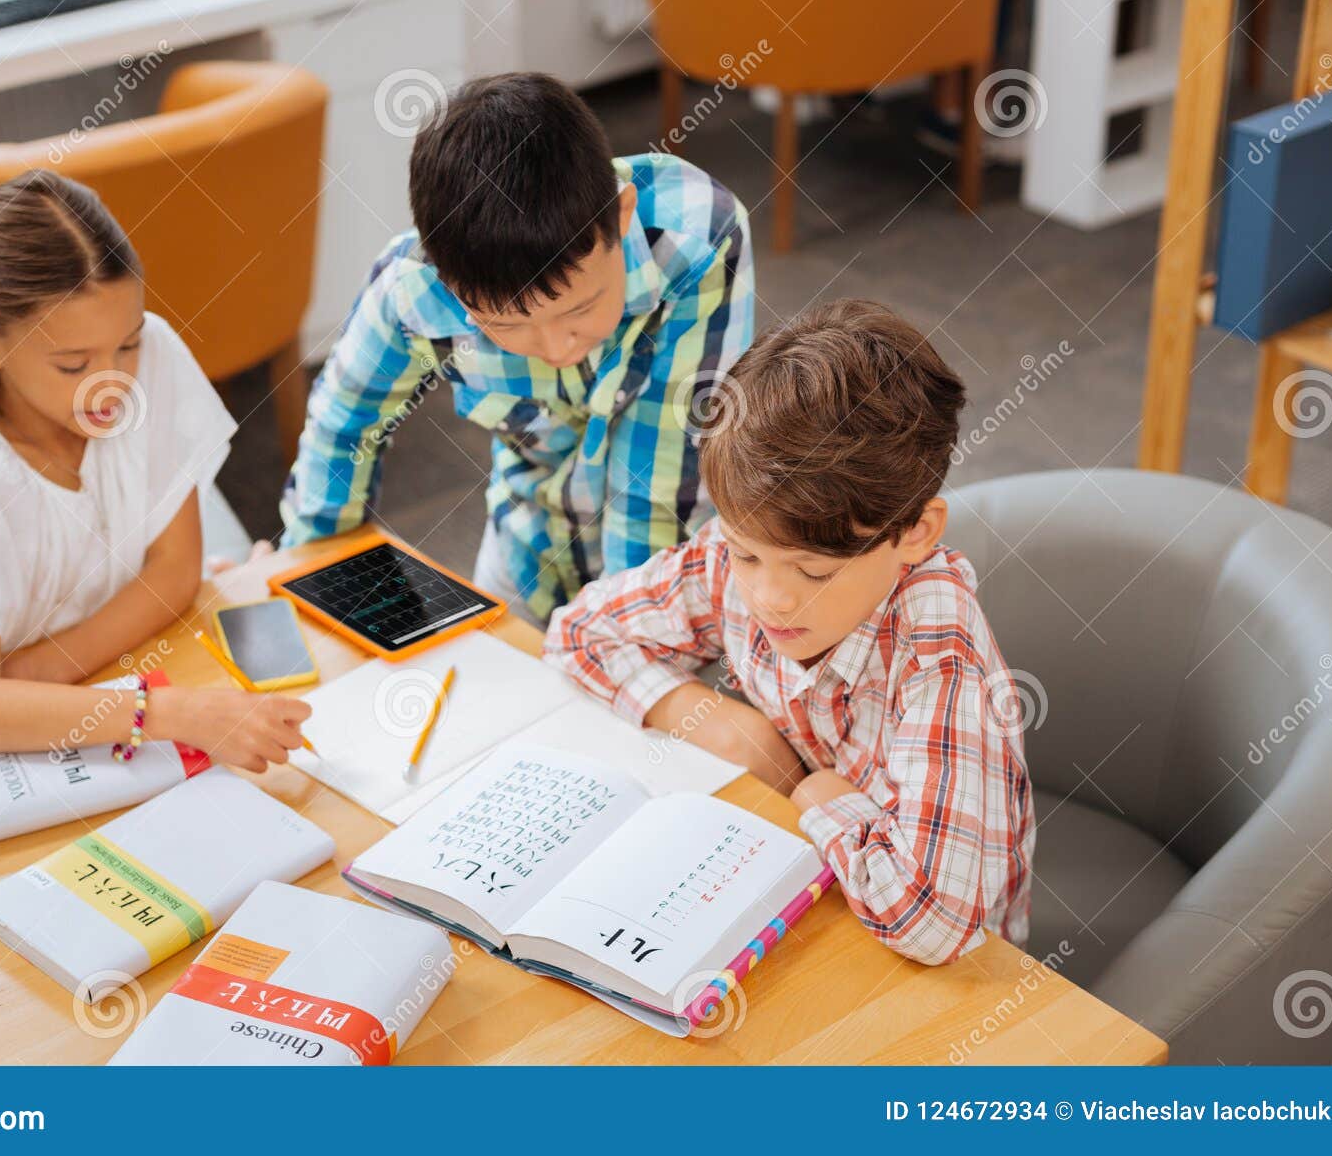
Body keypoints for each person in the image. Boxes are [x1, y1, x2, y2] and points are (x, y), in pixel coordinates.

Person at [543, 300, 1034, 965]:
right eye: (747, 555)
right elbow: (580, 631)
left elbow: (933, 919)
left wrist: (816, 794)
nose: (769, 596)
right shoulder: (743, 543)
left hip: (964, 977)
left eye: (813, 570)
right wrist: (718, 723)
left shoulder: (939, 655)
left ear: (915, 533)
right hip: (817, 880)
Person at [281, 72, 754, 624]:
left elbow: (654, 496)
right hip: (527, 546)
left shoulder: (696, 241)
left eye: (579, 309)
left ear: (620, 218)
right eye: (506, 327)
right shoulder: (413, 292)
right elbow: (343, 428)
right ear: (446, 278)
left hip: (669, 572)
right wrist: (308, 569)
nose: (555, 348)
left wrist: (623, 647)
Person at [0, 170, 309, 773]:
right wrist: (165, 712)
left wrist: (25, 678)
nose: (114, 383)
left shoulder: (157, 355)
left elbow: (174, 571)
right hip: (51, 754)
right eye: (73, 364)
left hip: (112, 685)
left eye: (127, 344)